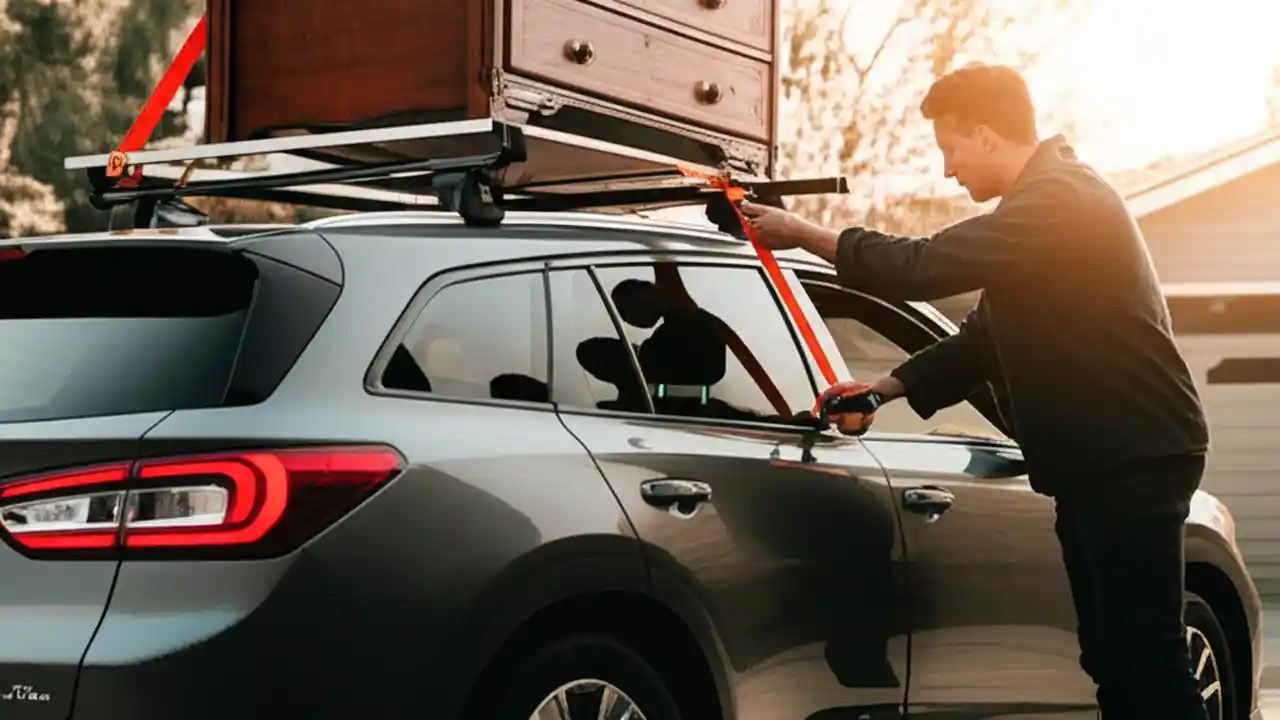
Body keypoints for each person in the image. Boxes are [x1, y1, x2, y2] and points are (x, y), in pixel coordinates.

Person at [740, 63, 1212, 720]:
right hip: (1098, 461)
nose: (947, 171)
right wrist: (881, 390)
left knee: (1144, 654)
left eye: (950, 149)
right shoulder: (1037, 214)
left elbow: (925, 265)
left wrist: (804, 236)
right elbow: (983, 338)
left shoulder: (1059, 200)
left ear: (987, 136)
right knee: (1109, 656)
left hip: (1134, 456)